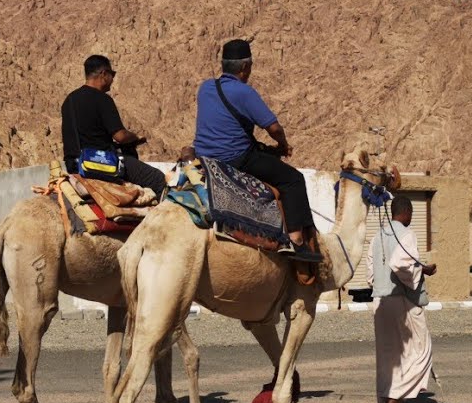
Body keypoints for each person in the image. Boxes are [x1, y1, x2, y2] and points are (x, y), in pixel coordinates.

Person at [192, 39, 320, 261]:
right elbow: (273, 128)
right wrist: (283, 145)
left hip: (204, 156)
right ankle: (296, 241)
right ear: (245, 67)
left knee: (263, 154)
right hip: (235, 158)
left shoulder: (205, 87)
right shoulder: (244, 92)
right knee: (293, 179)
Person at [367, 195, 438, 403]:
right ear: (406, 212)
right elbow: (399, 263)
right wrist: (419, 273)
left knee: (388, 357)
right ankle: (395, 402)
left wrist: (382, 284)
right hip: (401, 301)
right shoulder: (406, 234)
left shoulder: (378, 236)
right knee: (420, 352)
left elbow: (371, 272)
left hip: (380, 301)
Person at [61, 54, 167, 198]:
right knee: (158, 179)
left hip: (73, 165)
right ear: (104, 74)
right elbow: (120, 136)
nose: (113, 79)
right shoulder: (102, 99)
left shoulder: (69, 100)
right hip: (99, 164)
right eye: (113, 74)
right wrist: (135, 137)